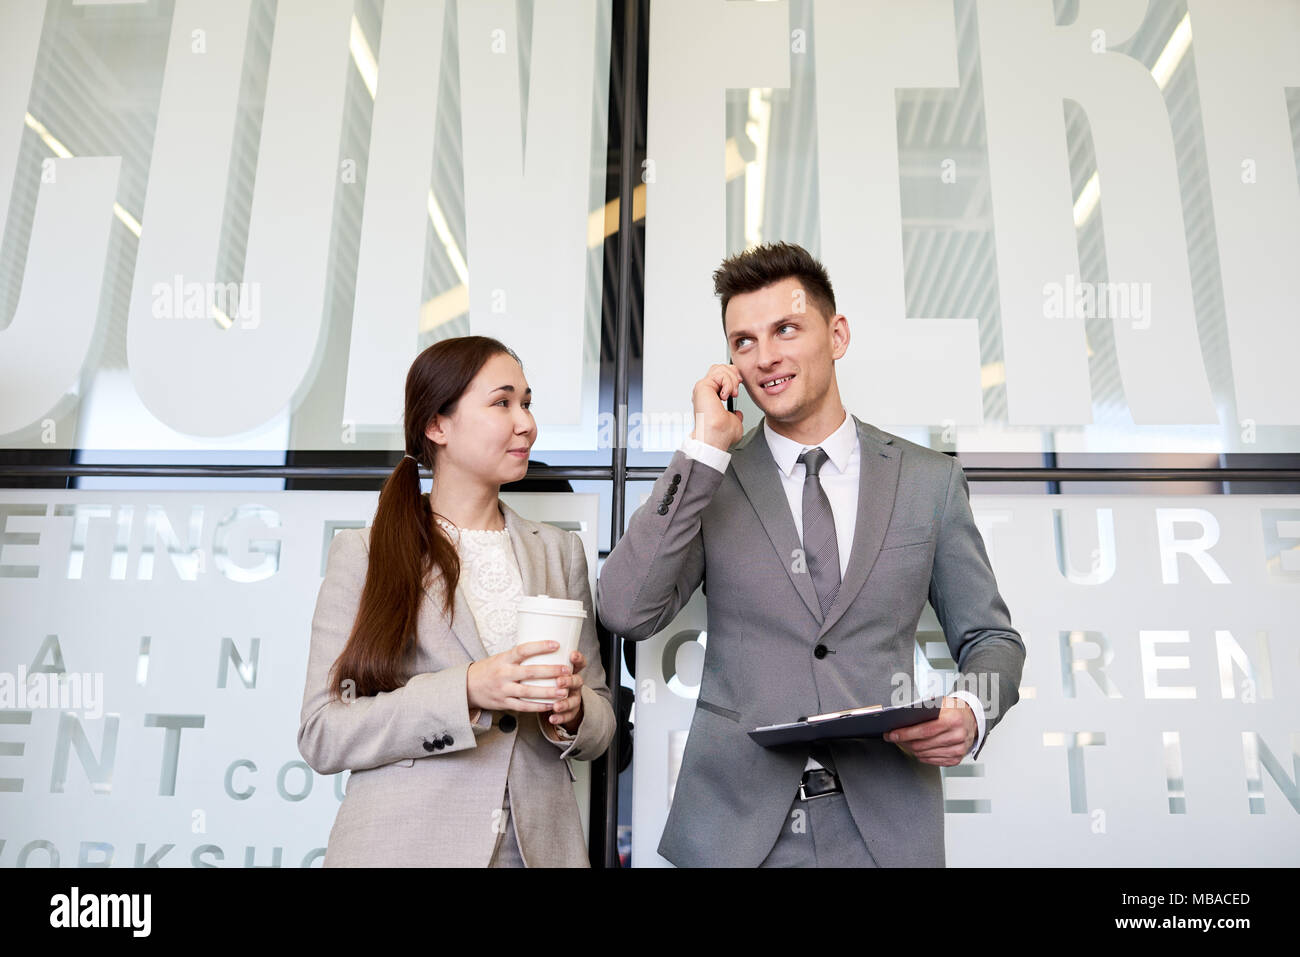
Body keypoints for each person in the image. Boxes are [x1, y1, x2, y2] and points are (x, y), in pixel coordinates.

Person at [596, 242, 1025, 867]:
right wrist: (702, 450)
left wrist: (973, 708)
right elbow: (626, 609)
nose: (765, 356)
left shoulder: (927, 481)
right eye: (743, 342)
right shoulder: (714, 479)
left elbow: (991, 637)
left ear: (837, 335)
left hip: (885, 832)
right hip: (737, 837)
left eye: (786, 329)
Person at [298, 335, 615, 866]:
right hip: (406, 848)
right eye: (502, 403)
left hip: (537, 849)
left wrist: (575, 710)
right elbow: (323, 731)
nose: (526, 423)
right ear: (437, 426)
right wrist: (466, 689)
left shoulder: (559, 552)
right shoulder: (365, 553)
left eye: (527, 403)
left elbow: (600, 719)